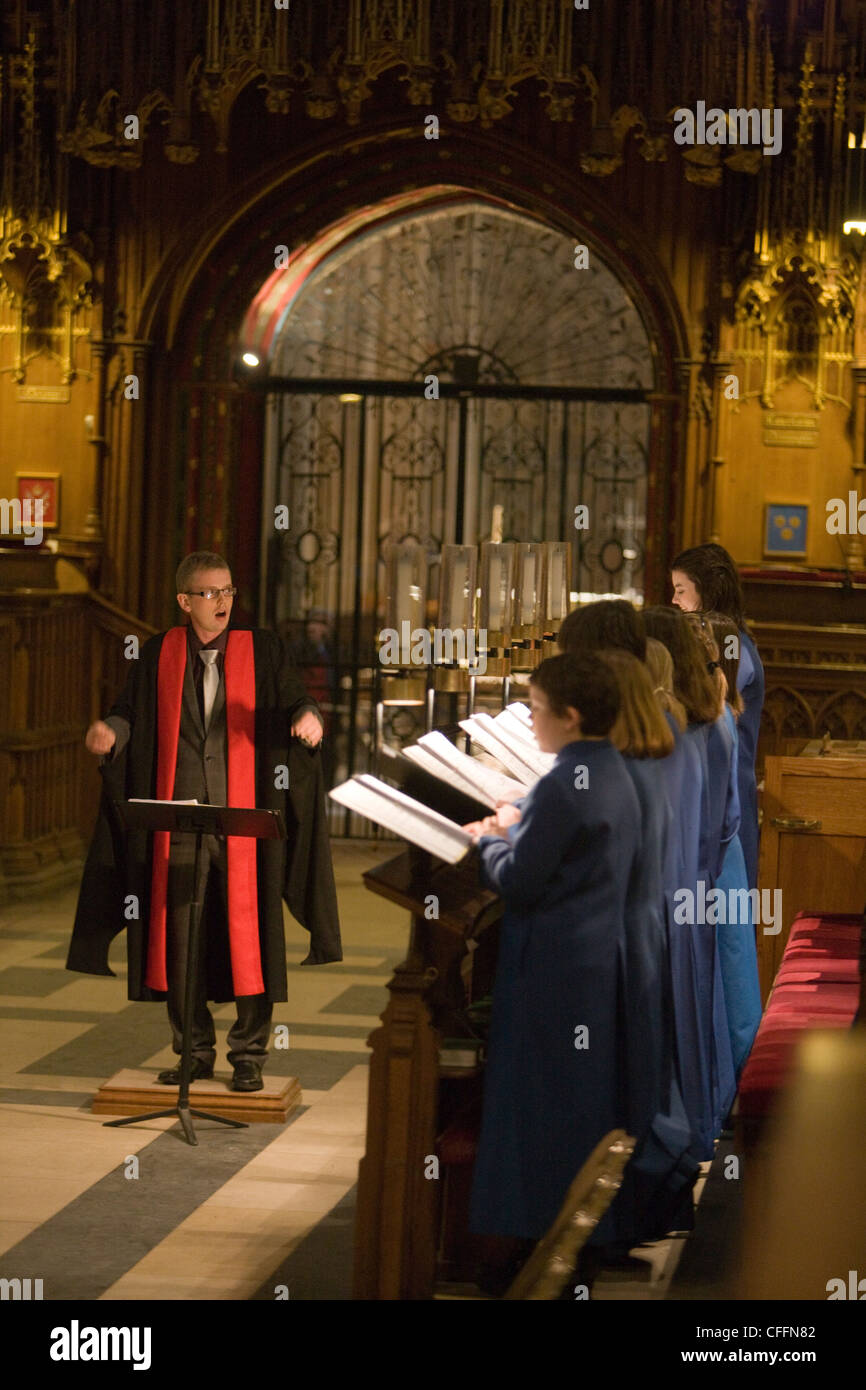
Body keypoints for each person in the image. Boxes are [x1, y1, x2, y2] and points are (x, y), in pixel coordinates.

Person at [67, 551, 342, 1092]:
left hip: (245, 815)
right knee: (180, 937)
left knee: (253, 932)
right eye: (210, 593)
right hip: (180, 818)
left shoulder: (262, 649)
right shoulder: (158, 652)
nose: (222, 603)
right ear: (184, 601)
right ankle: (192, 1051)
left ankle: (249, 1055)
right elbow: (128, 711)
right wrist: (112, 734)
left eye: (228, 592)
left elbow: (296, 699)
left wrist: (308, 716)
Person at [463, 654, 640, 1251]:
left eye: (538, 710)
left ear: (569, 715)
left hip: (551, 968)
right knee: (577, 1105)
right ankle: (577, 1244)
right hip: (593, 961)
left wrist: (490, 840)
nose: (532, 721)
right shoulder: (613, 768)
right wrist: (521, 829)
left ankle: (526, 1243)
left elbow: (518, 880)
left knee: (535, 1108)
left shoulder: (565, 783)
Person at [643, 606, 736, 1157]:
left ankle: (678, 1138)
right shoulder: (715, 718)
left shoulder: (675, 730)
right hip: (698, 883)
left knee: (676, 1021)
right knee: (696, 1013)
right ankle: (699, 1125)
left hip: (671, 891)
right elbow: (726, 822)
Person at [671, 544, 764, 890]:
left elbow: (706, 708)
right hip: (712, 793)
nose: (675, 600)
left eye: (681, 590)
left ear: (706, 590)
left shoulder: (729, 645)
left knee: (722, 916)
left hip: (726, 799)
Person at [703, 611, 763, 1077]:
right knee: (732, 966)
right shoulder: (723, 713)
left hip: (717, 861)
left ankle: (732, 1079)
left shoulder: (713, 720)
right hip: (725, 859)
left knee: (727, 969)